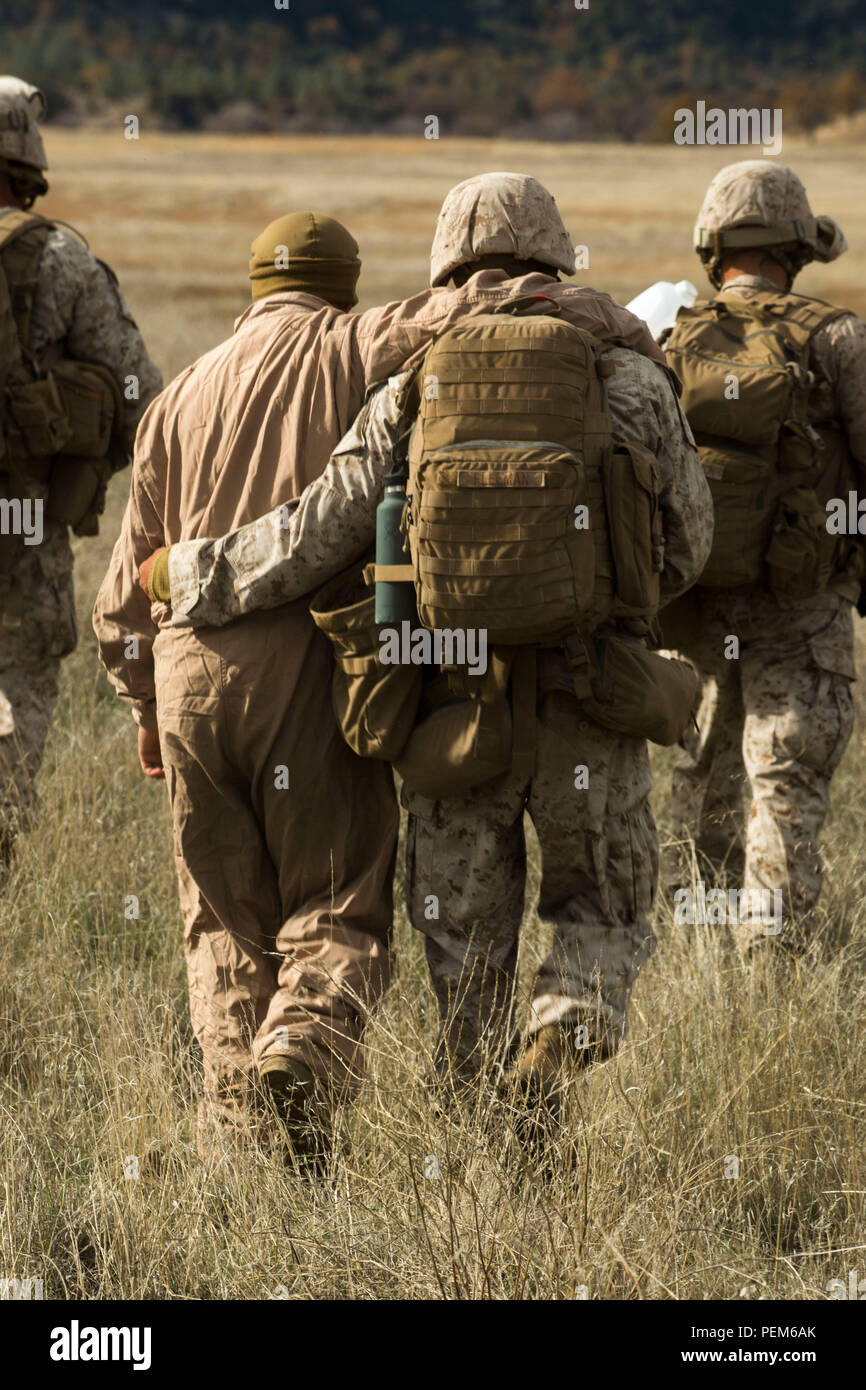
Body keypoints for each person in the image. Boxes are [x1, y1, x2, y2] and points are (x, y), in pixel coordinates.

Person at [138, 173, 714, 1113]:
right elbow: (688, 545)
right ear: (558, 252)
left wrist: (196, 573)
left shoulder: (415, 379)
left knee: (464, 955)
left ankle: (475, 1157)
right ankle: (562, 1035)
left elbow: (320, 529)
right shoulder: (630, 372)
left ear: (451, 260)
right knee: (604, 911)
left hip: (451, 710)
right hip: (592, 705)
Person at [662, 161, 866, 956]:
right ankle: (769, 974)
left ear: (714, 248)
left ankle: (703, 973)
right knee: (783, 790)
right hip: (802, 606)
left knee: (704, 788)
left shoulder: (677, 334)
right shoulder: (838, 336)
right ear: (796, 248)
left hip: (699, 606)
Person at [0, 75, 161, 875]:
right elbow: (145, 402)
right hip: (18, 557)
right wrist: (76, 459)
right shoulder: (57, 259)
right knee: (5, 763)